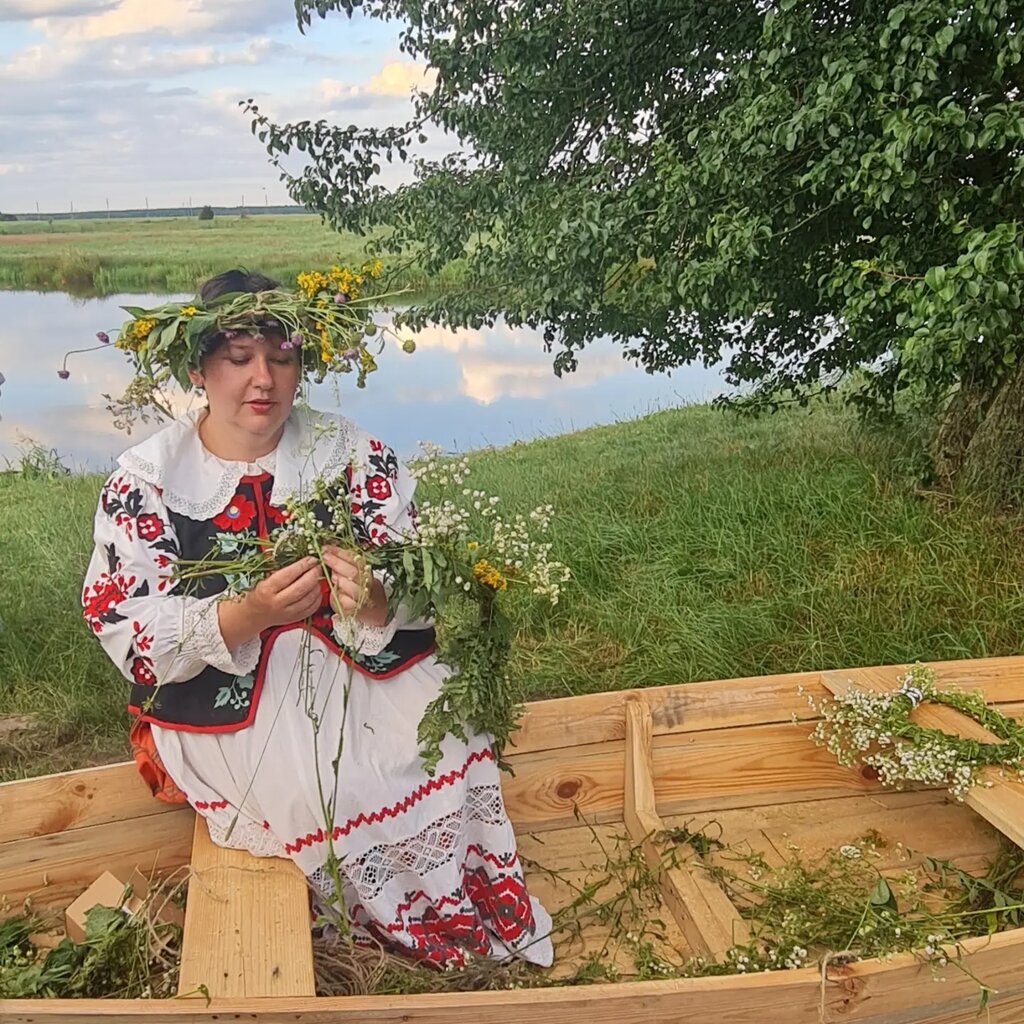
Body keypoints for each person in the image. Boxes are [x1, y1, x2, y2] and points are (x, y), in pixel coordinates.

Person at [82, 269, 552, 967]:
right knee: (323, 782)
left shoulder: (347, 454)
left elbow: (421, 563)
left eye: (282, 357)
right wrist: (247, 613)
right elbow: (121, 621)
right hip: (222, 695)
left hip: (358, 662)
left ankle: (450, 910)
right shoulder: (147, 481)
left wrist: (377, 595)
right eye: (238, 359)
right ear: (198, 367)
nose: (262, 380)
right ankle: (367, 934)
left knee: (443, 737)